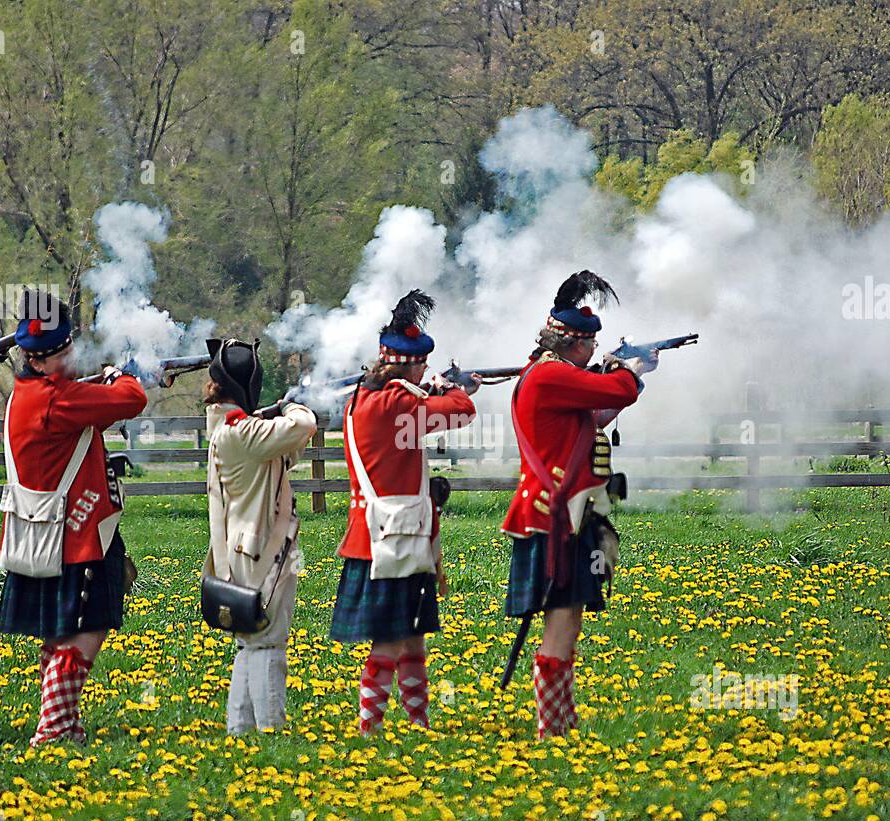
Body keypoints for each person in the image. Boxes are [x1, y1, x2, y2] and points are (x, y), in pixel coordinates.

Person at [503, 271, 656, 739]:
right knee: (563, 622)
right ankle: (552, 727)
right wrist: (630, 371)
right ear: (576, 343)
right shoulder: (551, 375)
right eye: (591, 344)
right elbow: (617, 392)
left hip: (571, 513)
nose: (594, 351)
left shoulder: (555, 374)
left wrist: (623, 374)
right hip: (556, 517)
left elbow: (600, 412)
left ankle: (564, 718)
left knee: (568, 622)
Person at [0, 291, 147, 745]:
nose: (68, 359)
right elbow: (132, 399)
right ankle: (54, 725)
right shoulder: (57, 398)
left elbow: (91, 414)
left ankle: (65, 720)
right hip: (76, 536)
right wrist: (121, 375)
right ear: (39, 360)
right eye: (62, 354)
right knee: (90, 625)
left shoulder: (33, 391)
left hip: (54, 531)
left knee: (61, 630)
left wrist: (101, 383)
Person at [330, 290, 479, 734]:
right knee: (391, 640)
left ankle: (419, 721)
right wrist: (451, 388)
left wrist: (429, 390)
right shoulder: (393, 403)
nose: (426, 371)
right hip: (387, 541)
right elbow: (463, 412)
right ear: (410, 365)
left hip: (392, 534)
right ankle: (369, 727)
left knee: (411, 637)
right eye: (422, 366)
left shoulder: (368, 398)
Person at [204, 337, 317, 733]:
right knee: (268, 643)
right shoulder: (240, 431)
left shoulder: (231, 427)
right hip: (260, 550)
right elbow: (303, 425)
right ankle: (271, 731)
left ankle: (242, 731)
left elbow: (288, 449)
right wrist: (292, 406)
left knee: (250, 643)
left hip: (243, 549)